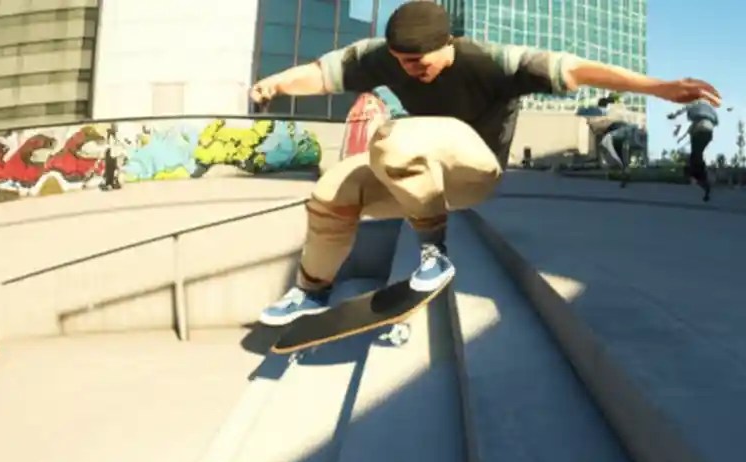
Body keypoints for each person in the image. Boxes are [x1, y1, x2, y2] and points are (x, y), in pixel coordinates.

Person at [253, 1, 721, 326]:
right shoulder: (381, 58)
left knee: (394, 138)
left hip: (474, 168)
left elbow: (576, 68)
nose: (412, 70)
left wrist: (658, 88)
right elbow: (320, 74)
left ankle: (435, 256)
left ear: (448, 42)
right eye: (402, 62)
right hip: (422, 174)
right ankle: (312, 291)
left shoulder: (494, 62)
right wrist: (272, 85)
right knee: (332, 190)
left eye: (421, 61)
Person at [579, 94, 641, 188]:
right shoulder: (620, 109)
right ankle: (624, 170)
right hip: (627, 132)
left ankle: (615, 167)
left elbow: (599, 125)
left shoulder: (608, 112)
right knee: (621, 151)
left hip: (618, 132)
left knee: (606, 143)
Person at [667, 99, 717, 201]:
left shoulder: (694, 104)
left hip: (700, 130)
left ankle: (701, 177)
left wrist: (674, 115)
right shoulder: (710, 108)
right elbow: (716, 121)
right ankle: (701, 175)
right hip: (709, 132)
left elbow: (683, 109)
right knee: (698, 154)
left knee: (696, 156)